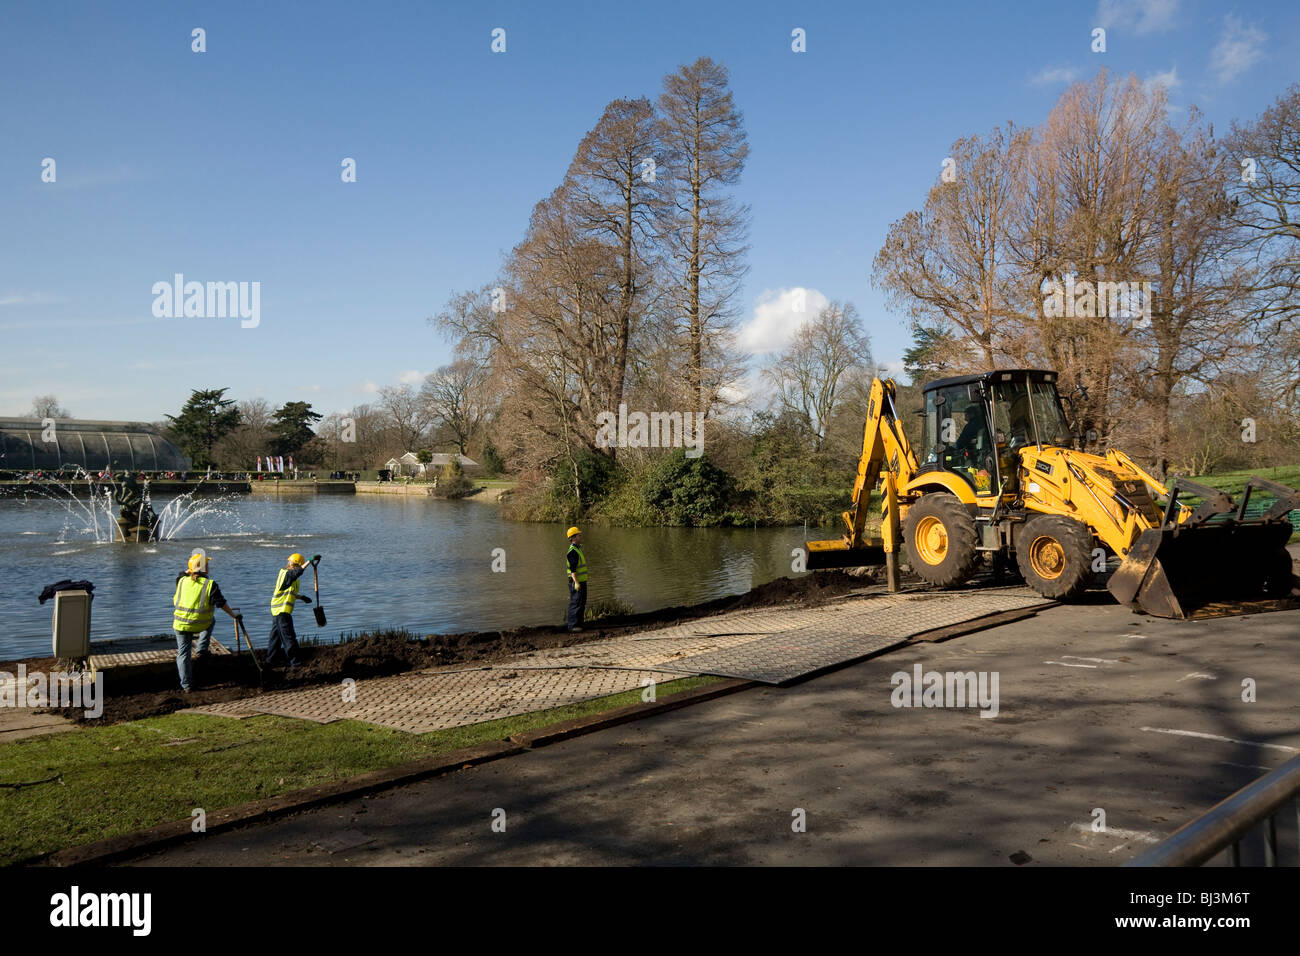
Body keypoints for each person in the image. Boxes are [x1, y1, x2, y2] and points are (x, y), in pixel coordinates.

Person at [172, 551, 240, 693]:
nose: (209, 566)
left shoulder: (181, 580)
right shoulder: (210, 585)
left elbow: (181, 574)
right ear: (203, 568)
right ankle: (202, 649)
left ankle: (187, 685)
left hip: (180, 624)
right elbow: (221, 604)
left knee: (183, 654)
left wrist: (190, 570)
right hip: (200, 624)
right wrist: (233, 615)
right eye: (207, 564)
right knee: (212, 620)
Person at [266, 552, 320, 668]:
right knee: (289, 637)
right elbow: (296, 573)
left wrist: (302, 597)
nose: (289, 564)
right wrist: (309, 562)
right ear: (294, 565)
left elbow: (288, 592)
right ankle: (296, 663)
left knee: (275, 638)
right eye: (295, 565)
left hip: (278, 612)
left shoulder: (292, 579)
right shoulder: (285, 574)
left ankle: (271, 661)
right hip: (282, 611)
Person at [564, 527, 587, 633]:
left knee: (581, 602)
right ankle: (572, 626)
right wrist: (576, 583)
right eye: (578, 535)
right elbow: (573, 570)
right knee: (576, 603)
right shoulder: (573, 551)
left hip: (581, 581)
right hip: (576, 582)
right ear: (573, 538)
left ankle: (579, 624)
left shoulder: (577, 549)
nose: (580, 536)